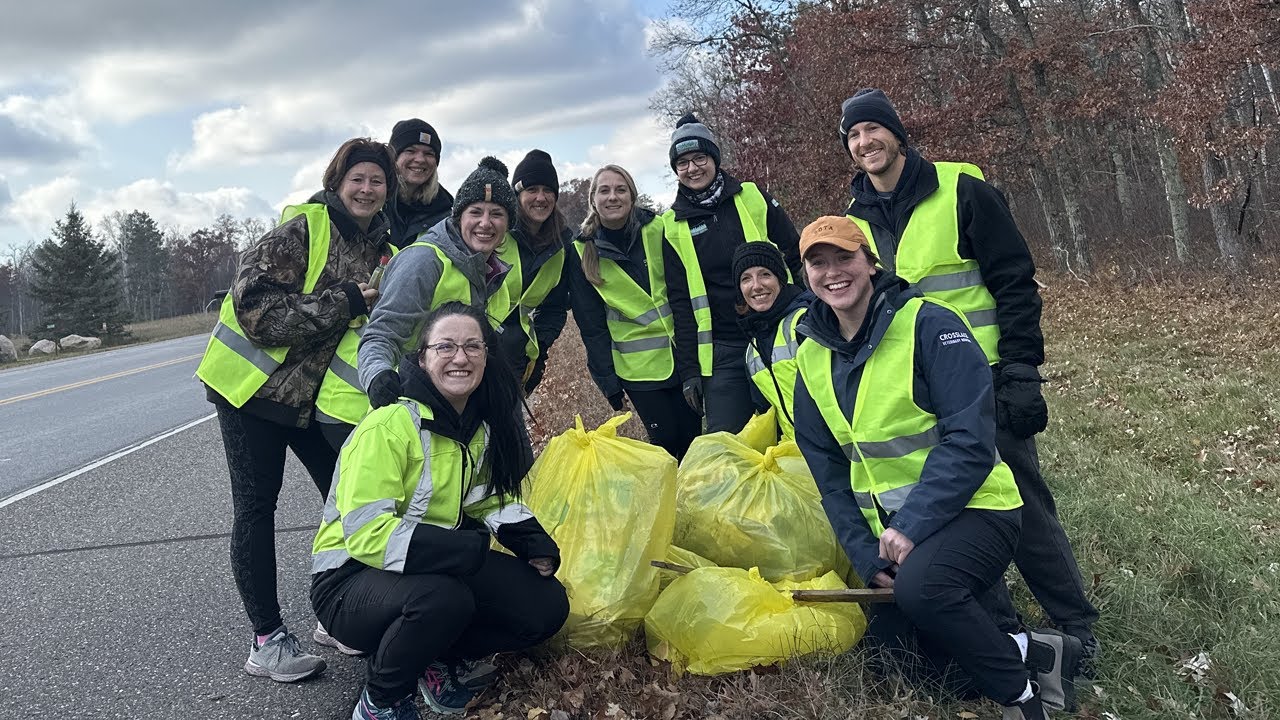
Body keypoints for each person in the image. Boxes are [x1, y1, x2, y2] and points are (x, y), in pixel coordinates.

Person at [837, 88, 1099, 671]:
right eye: (853, 137)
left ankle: (1076, 621)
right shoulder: (852, 224)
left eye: (873, 130)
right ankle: (1004, 630)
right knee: (955, 515)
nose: (865, 143)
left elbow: (1013, 282)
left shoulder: (962, 191)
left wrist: (1023, 373)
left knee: (1023, 506)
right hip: (917, 395)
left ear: (897, 135)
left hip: (986, 383)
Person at [791, 216, 1080, 719]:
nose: (833, 273)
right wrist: (867, 557)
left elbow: (970, 439)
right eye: (819, 263)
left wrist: (910, 526)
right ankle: (1037, 650)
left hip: (977, 510)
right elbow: (831, 478)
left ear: (871, 263)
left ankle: (1023, 699)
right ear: (807, 276)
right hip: (898, 536)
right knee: (907, 664)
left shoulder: (930, 324)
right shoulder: (811, 357)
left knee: (923, 590)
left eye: (844, 258)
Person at [195, 137, 394, 682]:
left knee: (345, 497)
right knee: (257, 509)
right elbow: (256, 309)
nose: (367, 188)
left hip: (307, 400)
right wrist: (346, 301)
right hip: (250, 392)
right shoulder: (304, 228)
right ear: (338, 181)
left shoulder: (381, 246)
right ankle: (267, 640)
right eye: (359, 178)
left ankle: (338, 614)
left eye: (378, 181)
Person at [312, 302, 568, 719]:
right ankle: (381, 700)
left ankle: (435, 659)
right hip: (348, 581)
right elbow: (367, 533)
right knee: (445, 599)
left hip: (429, 567)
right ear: (422, 358)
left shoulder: (475, 428)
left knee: (545, 605)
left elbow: (486, 497)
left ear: (487, 356)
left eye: (472, 346)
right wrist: (462, 551)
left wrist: (531, 541)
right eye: (445, 346)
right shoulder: (388, 426)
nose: (460, 357)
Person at [661, 113, 803, 434]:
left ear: (715, 158)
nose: (693, 168)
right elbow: (681, 303)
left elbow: (795, 252)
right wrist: (690, 371)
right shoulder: (672, 225)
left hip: (779, 334)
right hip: (723, 350)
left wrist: (813, 311)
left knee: (797, 432)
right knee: (730, 448)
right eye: (682, 163)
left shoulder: (752, 196)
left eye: (700, 157)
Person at [358, 156, 518, 412]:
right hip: (384, 405)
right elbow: (381, 335)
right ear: (458, 218)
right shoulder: (424, 261)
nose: (485, 223)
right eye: (475, 212)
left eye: (497, 214)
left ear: (509, 224)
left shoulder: (494, 274)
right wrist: (378, 376)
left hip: (442, 404)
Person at [566, 164, 702, 460]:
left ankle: (692, 504)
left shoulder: (658, 229)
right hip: (636, 369)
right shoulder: (580, 251)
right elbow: (591, 326)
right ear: (593, 200)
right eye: (604, 190)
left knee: (693, 441)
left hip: (680, 356)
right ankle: (670, 504)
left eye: (620, 189)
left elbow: (681, 299)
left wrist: (692, 366)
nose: (612, 197)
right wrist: (609, 384)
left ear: (632, 196)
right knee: (665, 441)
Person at [496, 149, 572, 395]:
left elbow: (554, 308)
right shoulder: (496, 234)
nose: (541, 197)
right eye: (531, 190)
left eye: (548, 190)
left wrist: (538, 354)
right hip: (475, 352)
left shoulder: (561, 247)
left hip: (518, 359)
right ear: (517, 194)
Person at [732, 241, 813, 442]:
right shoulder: (752, 350)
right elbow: (766, 413)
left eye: (765, 274)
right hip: (798, 454)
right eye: (746, 279)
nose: (756, 286)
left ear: (780, 279)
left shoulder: (805, 321)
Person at [388, 118, 454, 248]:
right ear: (393, 157)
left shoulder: (446, 218)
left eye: (429, 153)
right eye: (410, 151)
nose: (420, 159)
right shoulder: (372, 203)